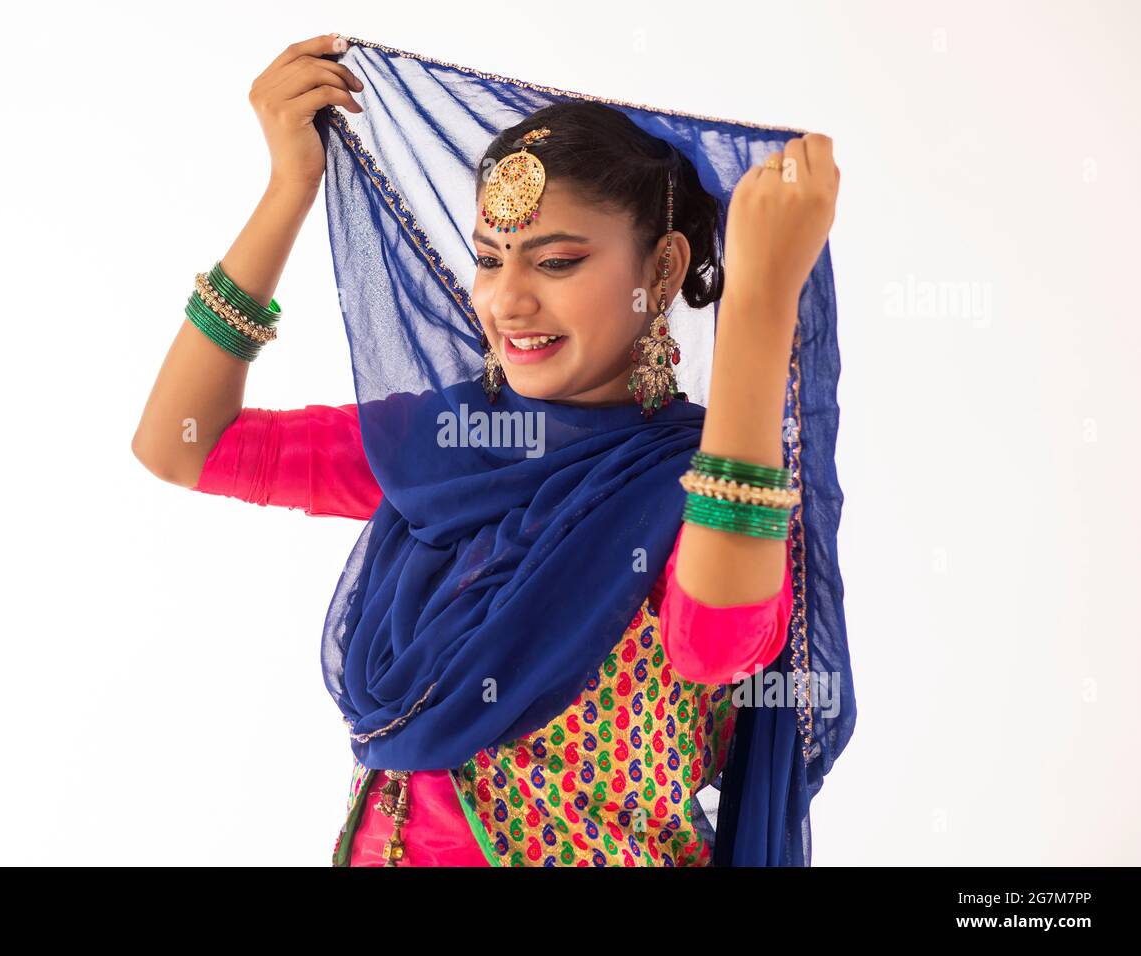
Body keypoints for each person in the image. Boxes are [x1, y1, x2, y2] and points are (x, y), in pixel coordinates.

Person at [132, 33, 854, 867]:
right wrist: (290, 187)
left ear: (661, 271)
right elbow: (184, 443)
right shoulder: (442, 450)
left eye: (557, 261)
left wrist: (762, 305)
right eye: (488, 259)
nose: (507, 299)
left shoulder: (688, 481)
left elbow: (718, 645)